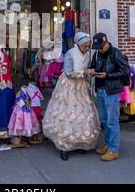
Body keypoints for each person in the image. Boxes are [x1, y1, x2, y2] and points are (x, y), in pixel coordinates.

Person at [43, 32, 101, 161]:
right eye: (85, 45)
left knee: (82, 112)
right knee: (67, 112)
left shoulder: (87, 54)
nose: (87, 48)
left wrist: (88, 74)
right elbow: (68, 72)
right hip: (69, 86)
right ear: (79, 44)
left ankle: (80, 142)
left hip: (81, 86)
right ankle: (64, 145)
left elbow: (86, 69)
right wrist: (84, 72)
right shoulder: (70, 53)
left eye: (89, 45)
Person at [86, 33, 130, 161]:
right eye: (97, 47)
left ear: (106, 42)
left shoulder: (116, 53)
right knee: (104, 120)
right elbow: (93, 66)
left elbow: (125, 70)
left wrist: (108, 75)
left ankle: (113, 149)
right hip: (100, 89)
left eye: (101, 46)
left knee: (112, 121)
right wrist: (91, 71)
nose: (99, 49)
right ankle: (108, 144)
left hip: (111, 90)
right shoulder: (97, 54)